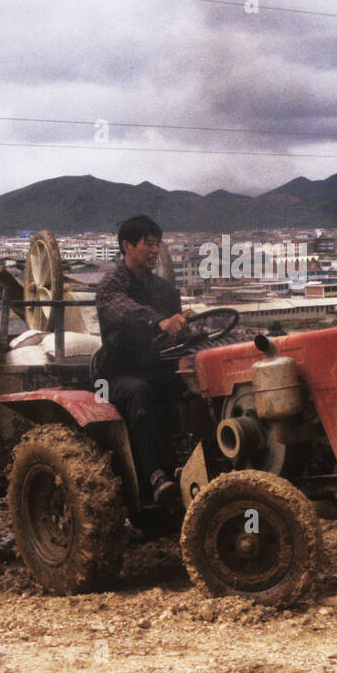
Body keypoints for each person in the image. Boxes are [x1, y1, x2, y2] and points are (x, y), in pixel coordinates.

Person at [95, 215, 192, 506]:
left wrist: (182, 327)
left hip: (156, 367)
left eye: (158, 245)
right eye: (148, 244)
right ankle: (155, 476)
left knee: (195, 384)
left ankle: (199, 459)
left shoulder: (163, 289)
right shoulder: (110, 286)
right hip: (114, 375)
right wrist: (159, 322)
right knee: (139, 393)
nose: (155, 251)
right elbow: (124, 313)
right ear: (127, 245)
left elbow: (173, 328)